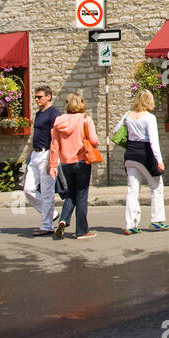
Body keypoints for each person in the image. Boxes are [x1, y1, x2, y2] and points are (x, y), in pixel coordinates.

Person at [114, 88, 166, 234]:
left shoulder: (127, 116)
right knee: (156, 186)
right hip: (145, 153)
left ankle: (130, 224)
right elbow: (153, 141)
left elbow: (115, 131)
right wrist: (159, 160)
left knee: (132, 190)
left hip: (130, 153)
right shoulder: (149, 118)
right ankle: (157, 220)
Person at [50, 92, 99, 239]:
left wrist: (52, 165)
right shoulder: (85, 119)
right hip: (82, 161)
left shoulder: (59, 121)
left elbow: (54, 145)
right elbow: (94, 140)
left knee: (70, 193)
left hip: (65, 163)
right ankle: (82, 230)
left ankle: (63, 220)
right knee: (82, 196)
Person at [26, 86, 60, 236]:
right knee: (28, 189)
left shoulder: (54, 114)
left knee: (47, 192)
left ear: (48, 97)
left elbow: (54, 138)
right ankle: (51, 214)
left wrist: (52, 161)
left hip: (47, 154)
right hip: (35, 154)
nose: (37, 99)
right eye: (36, 97)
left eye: (39, 97)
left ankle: (47, 225)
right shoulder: (39, 114)